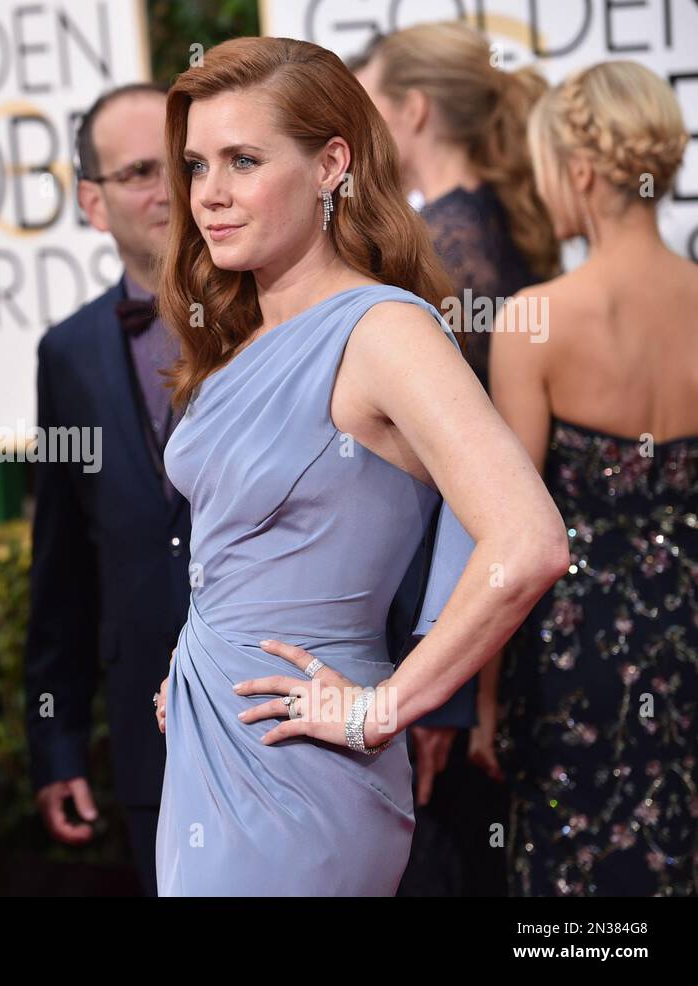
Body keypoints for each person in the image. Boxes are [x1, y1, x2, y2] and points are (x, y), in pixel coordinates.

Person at [150, 36, 568, 896]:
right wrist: (194, 666)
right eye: (196, 165)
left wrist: (382, 708)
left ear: (332, 163)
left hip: (302, 775)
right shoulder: (238, 340)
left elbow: (528, 542)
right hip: (209, 749)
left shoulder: (383, 332)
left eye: (244, 160)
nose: (210, 195)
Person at [353, 20, 561, 896]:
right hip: (496, 635)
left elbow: (463, 482)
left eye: (365, 111)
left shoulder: (441, 250)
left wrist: (434, 683)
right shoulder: (505, 228)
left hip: (453, 638)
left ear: (412, 111)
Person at [488, 60, 696, 896]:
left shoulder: (535, 322)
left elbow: (511, 535)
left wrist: (488, 701)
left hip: (576, 663)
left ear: (577, 171)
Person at [24, 82, 192, 897]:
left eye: (182, 164)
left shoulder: (286, 318)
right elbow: (61, 566)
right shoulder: (67, 353)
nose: (168, 191)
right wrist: (56, 741)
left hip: (291, 719)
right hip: (146, 740)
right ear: (92, 201)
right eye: (136, 174)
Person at [353, 22, 560, 392]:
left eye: (366, 107)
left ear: (415, 109)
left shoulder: (446, 241)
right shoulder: (501, 209)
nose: (356, 127)